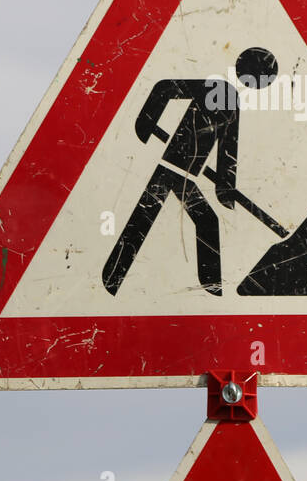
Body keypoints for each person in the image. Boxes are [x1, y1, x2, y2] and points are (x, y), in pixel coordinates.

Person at [102, 47, 278, 296]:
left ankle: (111, 278)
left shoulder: (231, 100)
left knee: (147, 219)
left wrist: (225, 187)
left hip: (182, 174)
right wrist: (146, 123)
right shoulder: (217, 89)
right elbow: (165, 88)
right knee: (189, 220)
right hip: (172, 169)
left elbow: (227, 151)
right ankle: (211, 289)